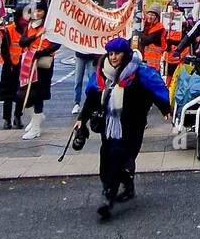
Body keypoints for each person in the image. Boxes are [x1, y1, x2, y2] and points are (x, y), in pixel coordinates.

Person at [73, 36, 171, 216]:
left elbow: (155, 89)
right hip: (109, 124)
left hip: (133, 123)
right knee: (107, 156)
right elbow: (93, 96)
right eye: (110, 54)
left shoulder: (139, 72)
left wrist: (165, 108)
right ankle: (120, 186)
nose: (113, 57)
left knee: (121, 156)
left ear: (125, 54)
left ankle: (108, 196)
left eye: (117, 53)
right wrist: (82, 118)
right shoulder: (103, 72)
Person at [19, 3, 61, 140]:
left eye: (40, 10)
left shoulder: (50, 26)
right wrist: (35, 36)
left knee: (38, 94)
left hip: (43, 63)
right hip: (29, 62)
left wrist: (43, 51)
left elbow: (56, 43)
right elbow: (22, 42)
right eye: (35, 10)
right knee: (24, 93)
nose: (37, 13)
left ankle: (36, 127)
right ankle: (36, 118)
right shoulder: (30, 25)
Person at [0, 6, 29, 129]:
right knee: (8, 95)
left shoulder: (29, 30)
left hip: (24, 66)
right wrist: (9, 63)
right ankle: (7, 119)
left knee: (21, 94)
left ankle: (18, 116)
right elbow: (4, 49)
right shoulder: (8, 30)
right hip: (10, 66)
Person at [136, 7, 168, 77]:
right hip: (146, 62)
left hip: (153, 64)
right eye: (149, 14)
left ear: (157, 17)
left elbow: (147, 40)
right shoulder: (148, 27)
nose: (150, 17)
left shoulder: (159, 28)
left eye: (153, 15)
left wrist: (138, 32)